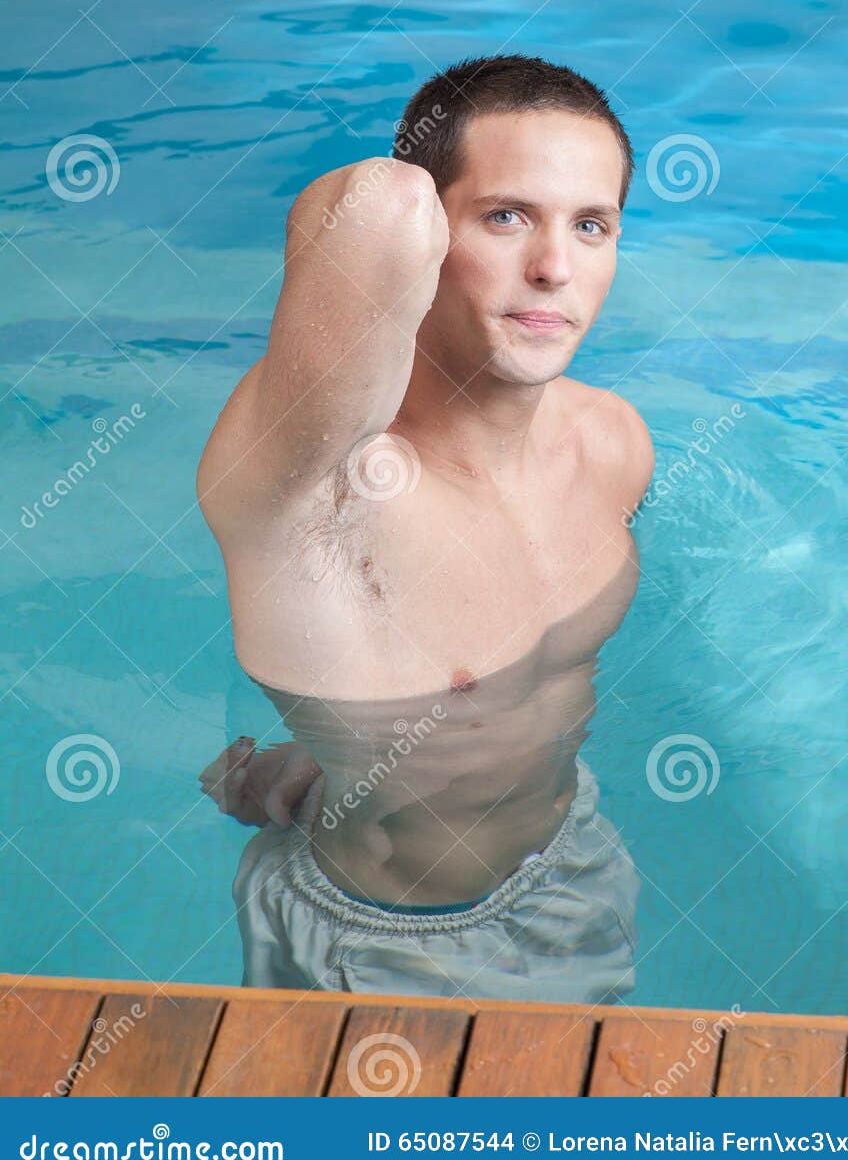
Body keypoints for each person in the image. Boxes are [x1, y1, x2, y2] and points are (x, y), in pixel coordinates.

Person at [197, 53, 655, 1001]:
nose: (554, 268)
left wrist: (343, 758)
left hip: (574, 863)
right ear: (430, 233)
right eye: (504, 216)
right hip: (376, 947)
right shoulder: (317, 492)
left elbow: (501, 706)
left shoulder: (611, 444)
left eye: (591, 225)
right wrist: (417, 171)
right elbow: (373, 210)